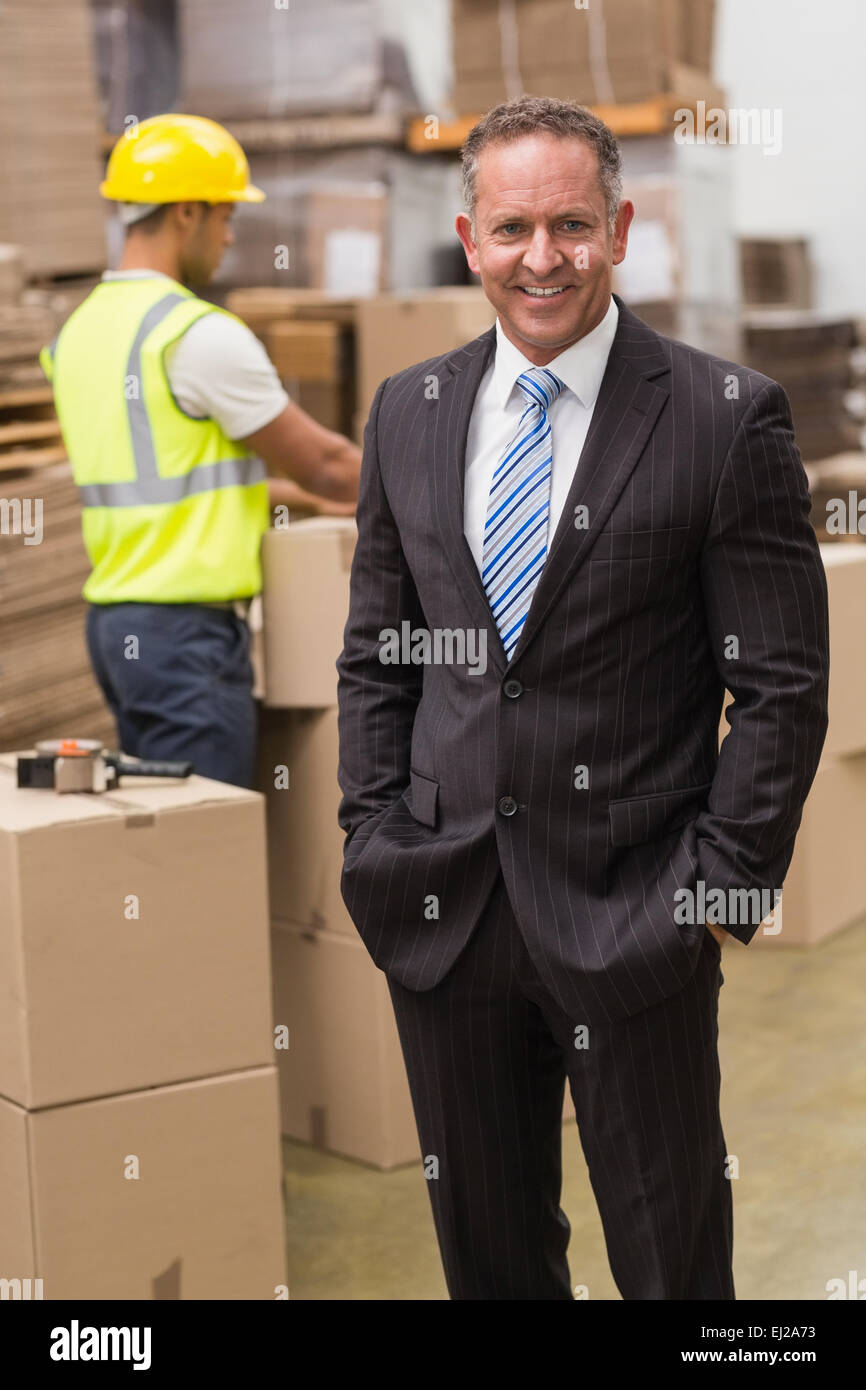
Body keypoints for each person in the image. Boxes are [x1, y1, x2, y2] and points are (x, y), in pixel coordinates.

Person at [336, 97, 829, 1300]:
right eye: (512, 229)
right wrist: (369, 835)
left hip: (634, 917)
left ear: (618, 228)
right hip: (442, 913)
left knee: (672, 1266)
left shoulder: (720, 418)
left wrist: (711, 896)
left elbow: (779, 684)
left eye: (569, 225)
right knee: (491, 1265)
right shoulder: (409, 411)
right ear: (467, 237)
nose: (540, 258)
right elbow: (375, 655)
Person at [41, 114, 359, 788]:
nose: (229, 237)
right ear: (186, 212)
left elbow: (173, 477)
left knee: (171, 838)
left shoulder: (79, 334)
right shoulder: (194, 335)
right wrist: (450, 494)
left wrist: (294, 499)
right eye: (224, 217)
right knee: (212, 842)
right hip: (186, 636)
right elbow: (326, 464)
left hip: (119, 628)